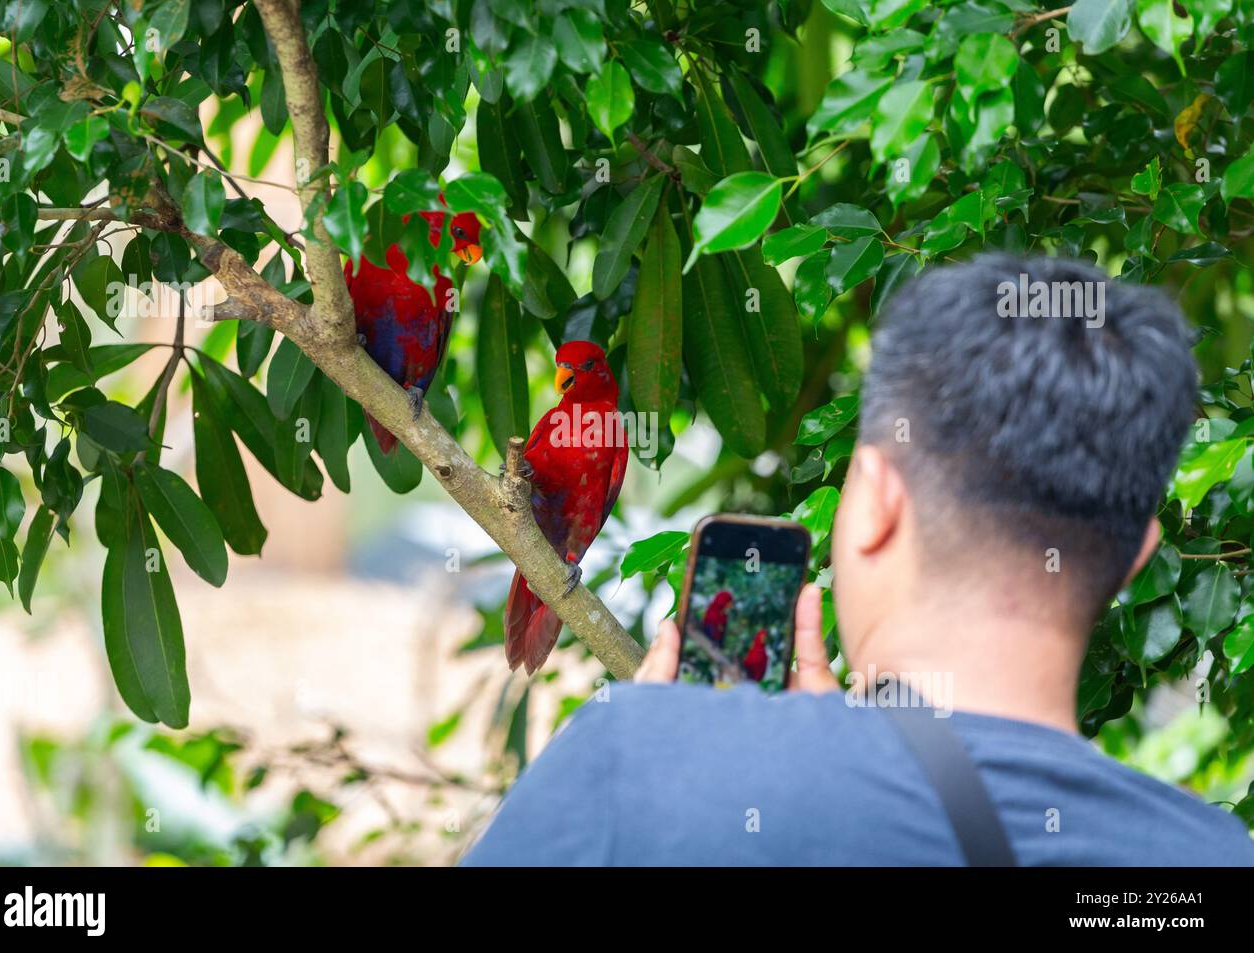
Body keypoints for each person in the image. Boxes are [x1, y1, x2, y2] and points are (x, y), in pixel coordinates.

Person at [463, 255, 1254, 866]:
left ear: (873, 503)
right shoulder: (1209, 862)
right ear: (1138, 554)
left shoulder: (628, 773)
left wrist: (670, 767)